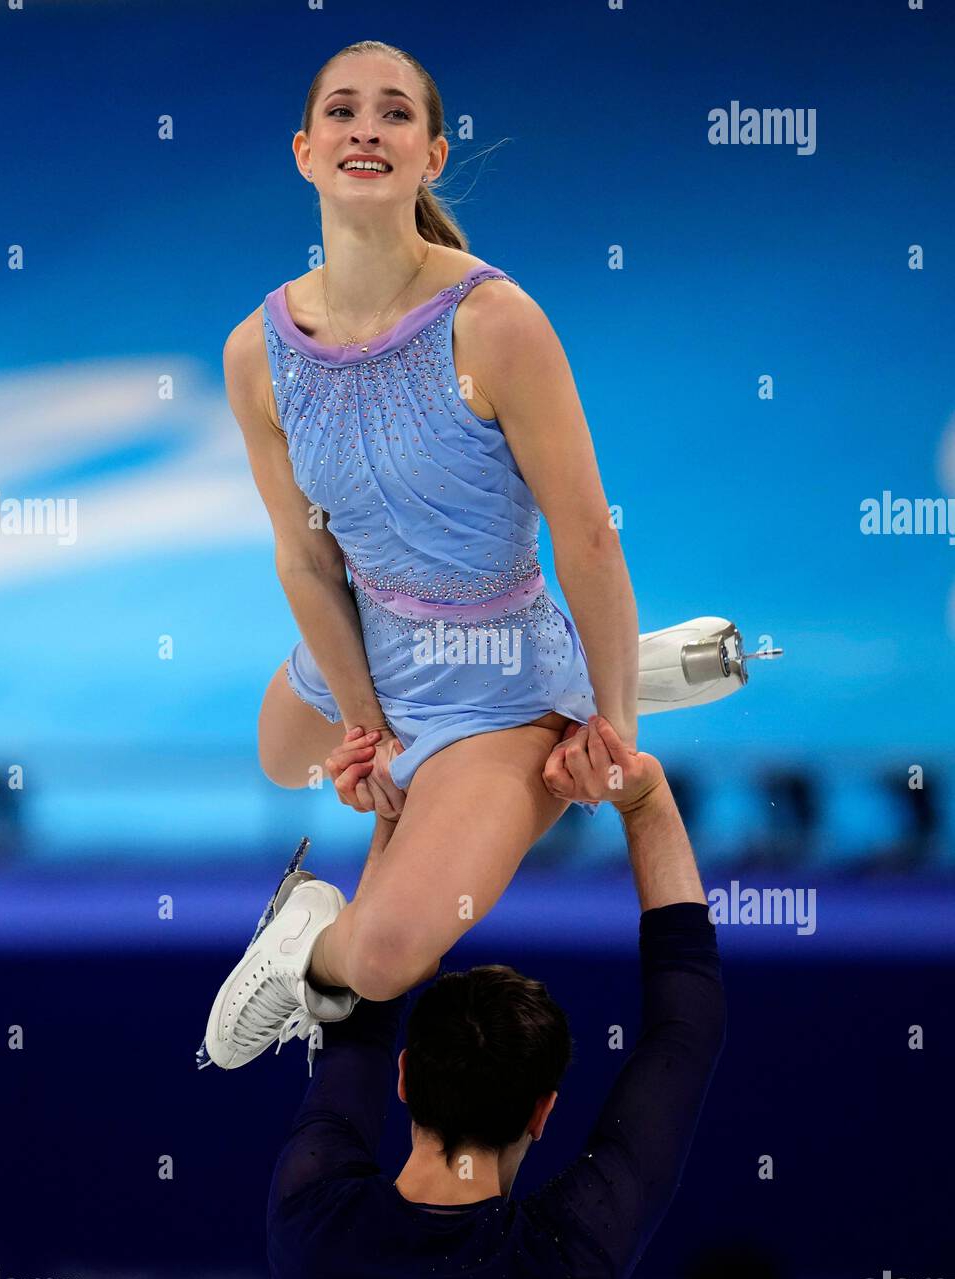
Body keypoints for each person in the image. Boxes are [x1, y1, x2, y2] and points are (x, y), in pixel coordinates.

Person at [210, 39, 753, 1052]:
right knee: (281, 756)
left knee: (380, 959)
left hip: (497, 670)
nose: (364, 127)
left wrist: (617, 730)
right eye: (340, 110)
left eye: (393, 113)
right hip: (372, 633)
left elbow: (588, 537)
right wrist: (368, 727)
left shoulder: (495, 323)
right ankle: (602, 668)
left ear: (433, 155)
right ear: (303, 150)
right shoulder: (257, 354)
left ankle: (305, 941)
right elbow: (304, 556)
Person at [258, 715, 725, 1279]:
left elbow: (371, 984)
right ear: (542, 1113)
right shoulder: (564, 1261)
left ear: (406, 1077)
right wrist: (647, 798)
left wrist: (400, 804)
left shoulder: (314, 1222)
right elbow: (682, 1038)